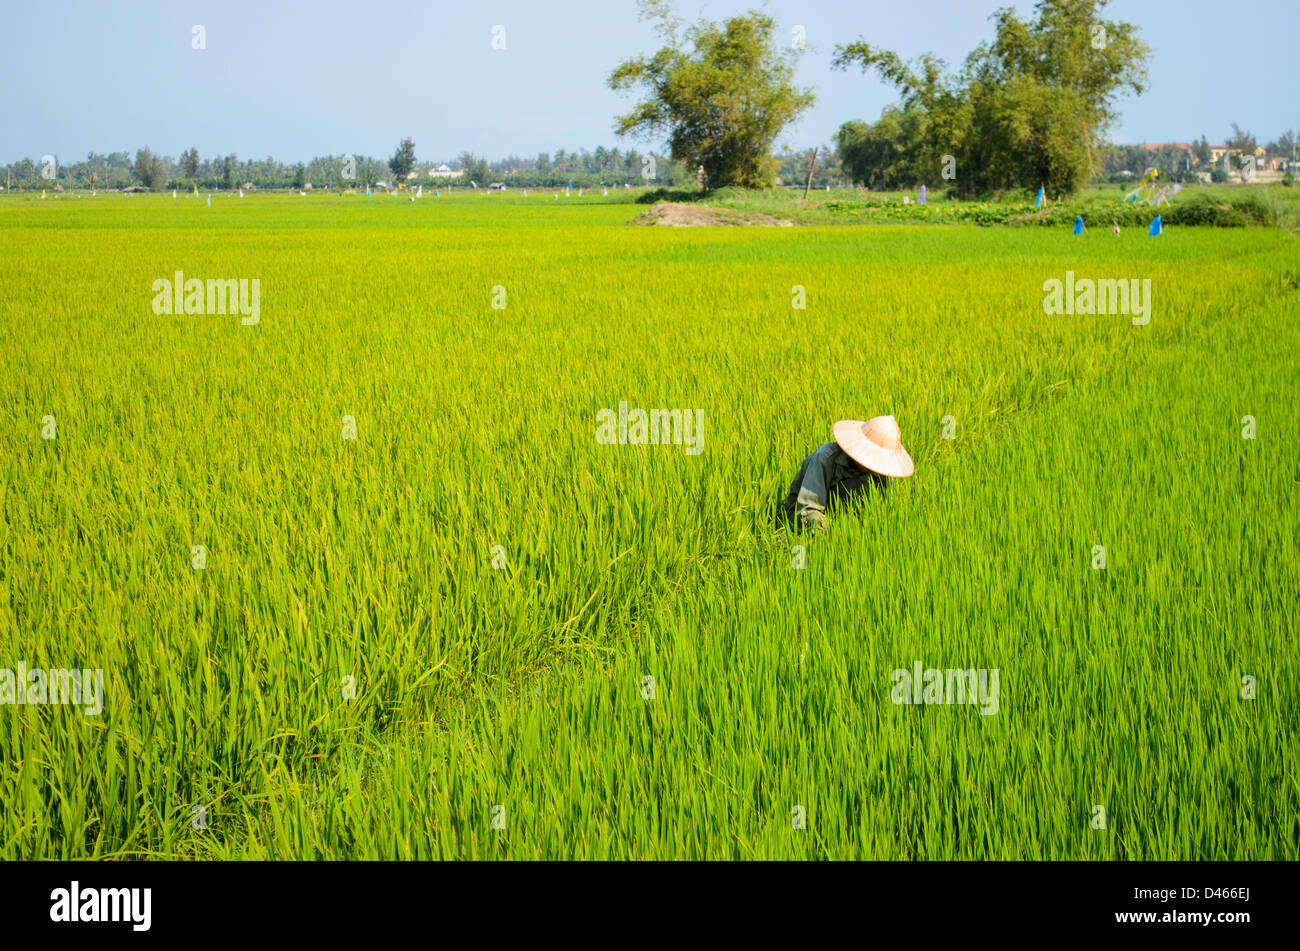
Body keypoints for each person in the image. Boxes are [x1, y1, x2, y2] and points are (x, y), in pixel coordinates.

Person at [781, 415, 915, 531]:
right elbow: (805, 511)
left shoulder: (883, 470)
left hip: (848, 524)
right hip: (804, 525)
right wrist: (842, 532)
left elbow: (884, 512)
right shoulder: (825, 459)